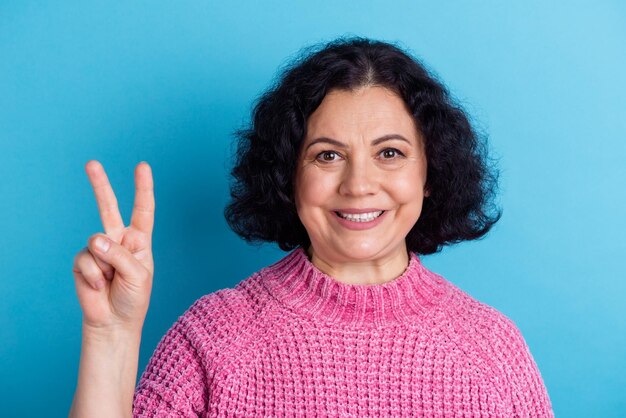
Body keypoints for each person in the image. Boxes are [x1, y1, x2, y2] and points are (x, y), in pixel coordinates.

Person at [69, 37, 554, 417]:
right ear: (289, 176)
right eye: (328, 155)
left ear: (430, 174)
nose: (359, 184)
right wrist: (110, 334)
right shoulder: (213, 337)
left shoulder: (492, 349)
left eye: (390, 153)